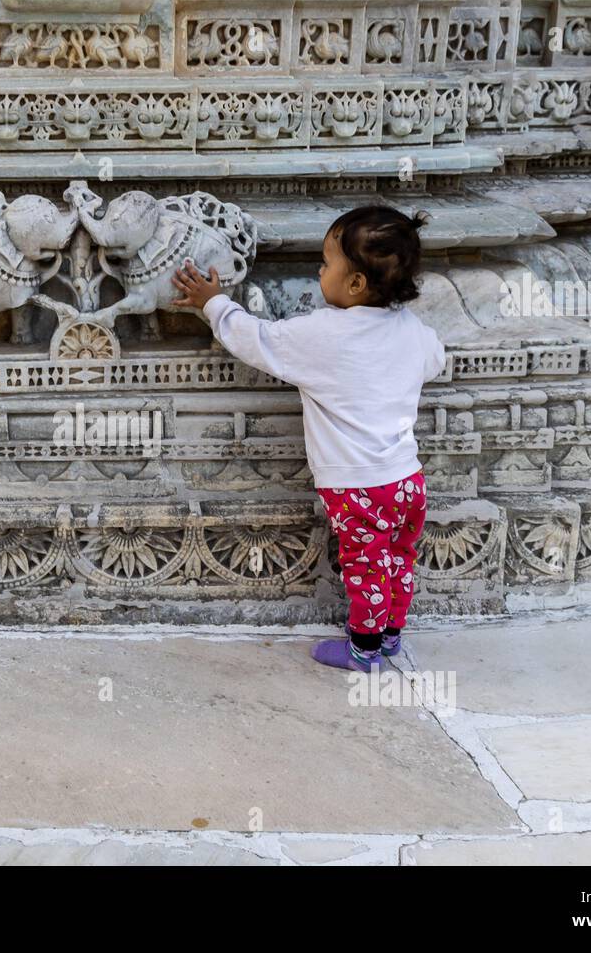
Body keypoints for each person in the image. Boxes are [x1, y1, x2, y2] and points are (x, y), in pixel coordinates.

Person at [171, 206, 446, 672]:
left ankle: (363, 651)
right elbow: (435, 358)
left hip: (359, 487)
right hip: (406, 480)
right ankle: (391, 635)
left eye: (326, 262)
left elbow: (257, 339)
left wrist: (213, 303)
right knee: (397, 558)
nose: (319, 271)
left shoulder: (324, 333)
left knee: (365, 567)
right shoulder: (410, 329)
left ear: (355, 283)